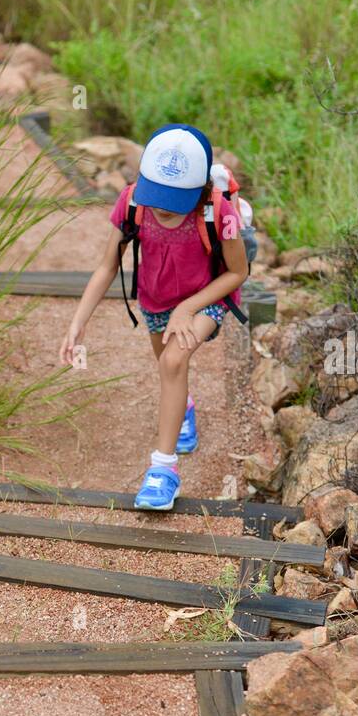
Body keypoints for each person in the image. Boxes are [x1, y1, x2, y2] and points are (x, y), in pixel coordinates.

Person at [58, 124, 248, 511]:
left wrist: (188, 306)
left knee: (175, 360)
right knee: (167, 366)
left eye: (173, 200)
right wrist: (78, 321)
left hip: (205, 297)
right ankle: (186, 407)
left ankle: (164, 471)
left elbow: (237, 272)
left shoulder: (218, 211)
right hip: (155, 300)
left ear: (197, 193)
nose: (161, 207)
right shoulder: (132, 203)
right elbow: (106, 266)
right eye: (156, 196)